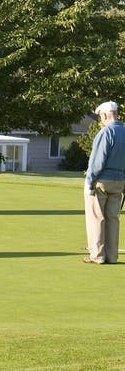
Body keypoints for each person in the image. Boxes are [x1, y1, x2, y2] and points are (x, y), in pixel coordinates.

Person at [83, 100, 125, 264]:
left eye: (100, 116)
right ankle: (112, 256)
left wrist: (89, 181)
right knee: (113, 219)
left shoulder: (106, 132)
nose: (100, 119)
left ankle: (98, 256)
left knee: (96, 218)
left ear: (106, 115)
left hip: (102, 181)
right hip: (119, 181)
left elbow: (97, 161)